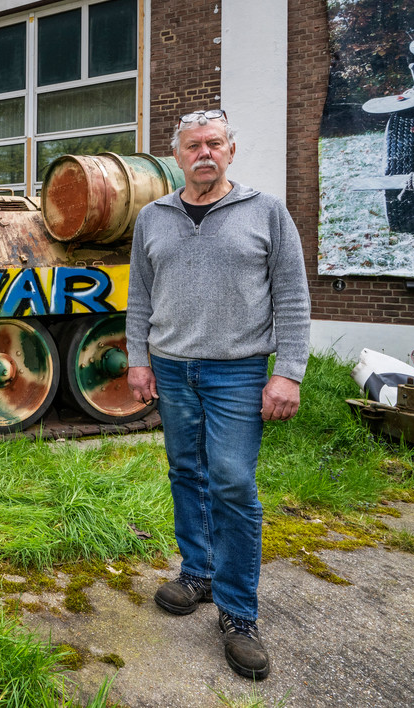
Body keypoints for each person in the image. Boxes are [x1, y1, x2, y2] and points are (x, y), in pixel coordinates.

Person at [125, 107, 310, 681]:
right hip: (174, 369)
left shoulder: (266, 213)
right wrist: (138, 359)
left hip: (238, 373)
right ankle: (197, 572)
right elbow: (139, 296)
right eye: (192, 146)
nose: (203, 153)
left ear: (231, 151)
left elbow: (293, 296)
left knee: (232, 481)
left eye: (214, 144)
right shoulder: (152, 216)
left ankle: (237, 611)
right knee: (186, 471)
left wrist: (290, 371)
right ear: (175, 156)